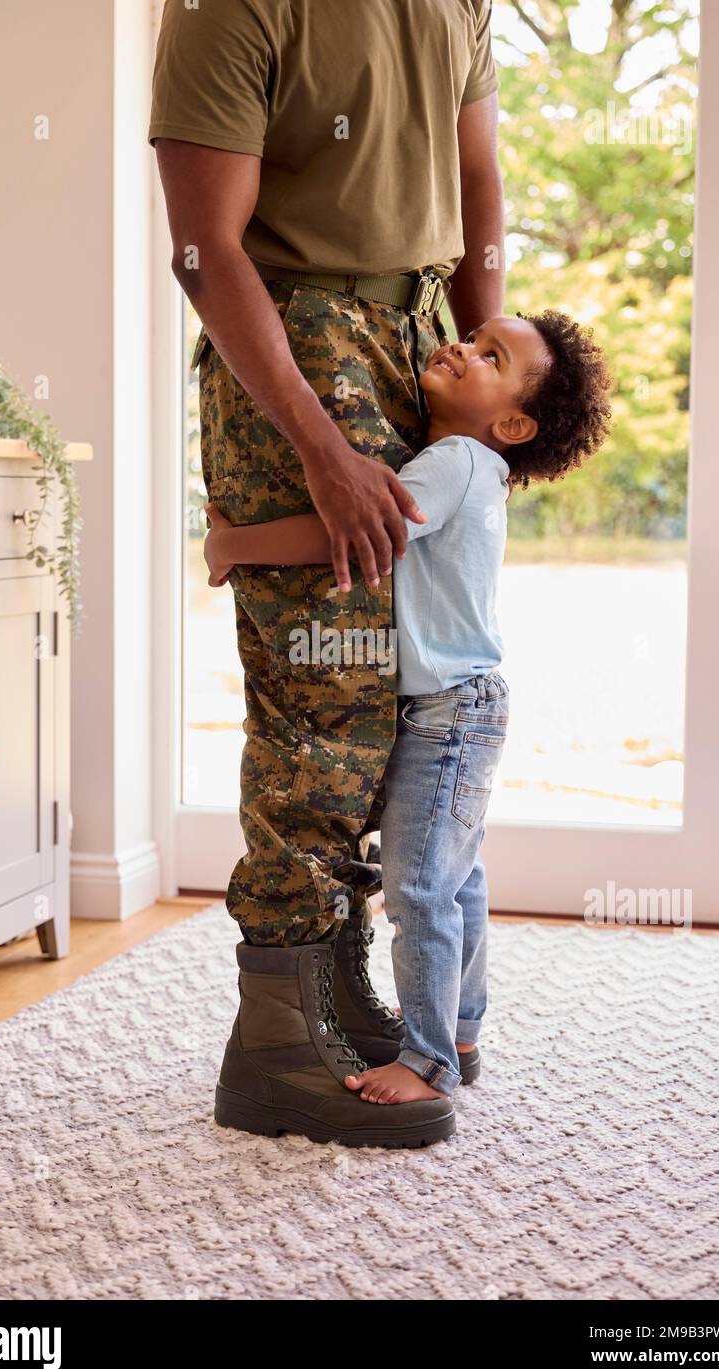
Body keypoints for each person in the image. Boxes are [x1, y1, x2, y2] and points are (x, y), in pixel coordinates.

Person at [150, 0, 505, 1148]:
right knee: (319, 703)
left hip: (414, 343)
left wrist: (493, 394)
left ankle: (334, 985)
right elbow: (204, 249)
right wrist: (316, 442)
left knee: (381, 715)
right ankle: (271, 1039)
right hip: (298, 348)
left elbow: (477, 176)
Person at [204, 310, 613, 1125]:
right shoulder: (478, 468)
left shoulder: (457, 460)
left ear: (512, 423)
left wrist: (235, 544)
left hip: (447, 713)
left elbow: (351, 529)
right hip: (470, 705)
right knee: (455, 879)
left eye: (491, 355)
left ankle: (429, 1063)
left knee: (420, 887)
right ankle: (459, 1031)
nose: (461, 345)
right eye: (475, 335)